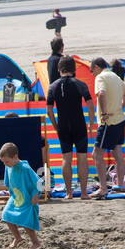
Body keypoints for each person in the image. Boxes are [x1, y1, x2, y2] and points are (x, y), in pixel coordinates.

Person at [45, 56, 93, 198]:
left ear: (59, 69)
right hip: (79, 124)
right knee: (82, 158)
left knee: (66, 158)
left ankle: (69, 193)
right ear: (73, 69)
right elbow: (90, 105)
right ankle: (84, 193)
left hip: (63, 125)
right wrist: (90, 123)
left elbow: (49, 110)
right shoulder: (80, 84)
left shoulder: (52, 86)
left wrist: (56, 126)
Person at [91, 57, 125, 191]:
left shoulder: (101, 77)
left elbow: (102, 93)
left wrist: (104, 113)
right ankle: (121, 185)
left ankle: (103, 187)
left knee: (96, 154)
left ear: (97, 67)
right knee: (117, 152)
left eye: (92, 71)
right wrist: (120, 107)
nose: (92, 74)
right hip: (120, 118)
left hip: (108, 121)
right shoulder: (114, 76)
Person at [0, 142, 41, 249]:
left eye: (7, 161)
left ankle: (35, 242)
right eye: (3, 162)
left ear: (15, 157)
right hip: (15, 198)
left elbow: (38, 182)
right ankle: (17, 237)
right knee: (6, 215)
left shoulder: (25, 168)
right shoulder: (8, 167)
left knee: (26, 222)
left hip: (27, 199)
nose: (5, 164)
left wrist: (35, 195)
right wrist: (9, 190)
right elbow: (8, 181)